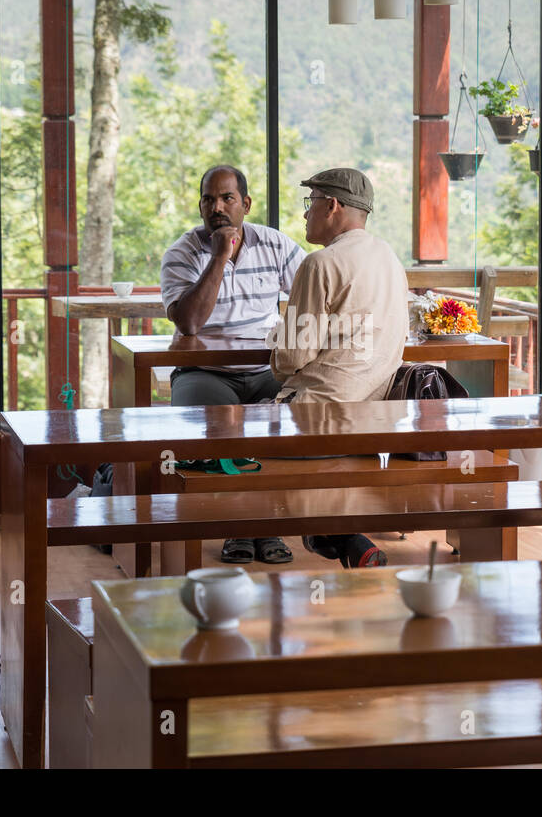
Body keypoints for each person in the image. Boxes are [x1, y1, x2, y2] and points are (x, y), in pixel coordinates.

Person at [158, 164, 306, 564]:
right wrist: (219, 258)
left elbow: (314, 293)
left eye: (227, 198)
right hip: (205, 373)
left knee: (300, 417)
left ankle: (263, 524)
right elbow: (188, 322)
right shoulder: (183, 253)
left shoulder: (275, 245)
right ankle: (237, 527)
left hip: (268, 371)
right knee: (211, 427)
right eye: (209, 199)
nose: (217, 207)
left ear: (246, 204)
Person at [269, 167, 410, 568]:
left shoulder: (320, 264)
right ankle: (346, 540)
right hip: (370, 422)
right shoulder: (389, 258)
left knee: (225, 444)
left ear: (331, 205)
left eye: (309, 202)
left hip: (312, 420)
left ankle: (255, 534)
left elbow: (291, 359)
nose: (305, 214)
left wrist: (277, 345)